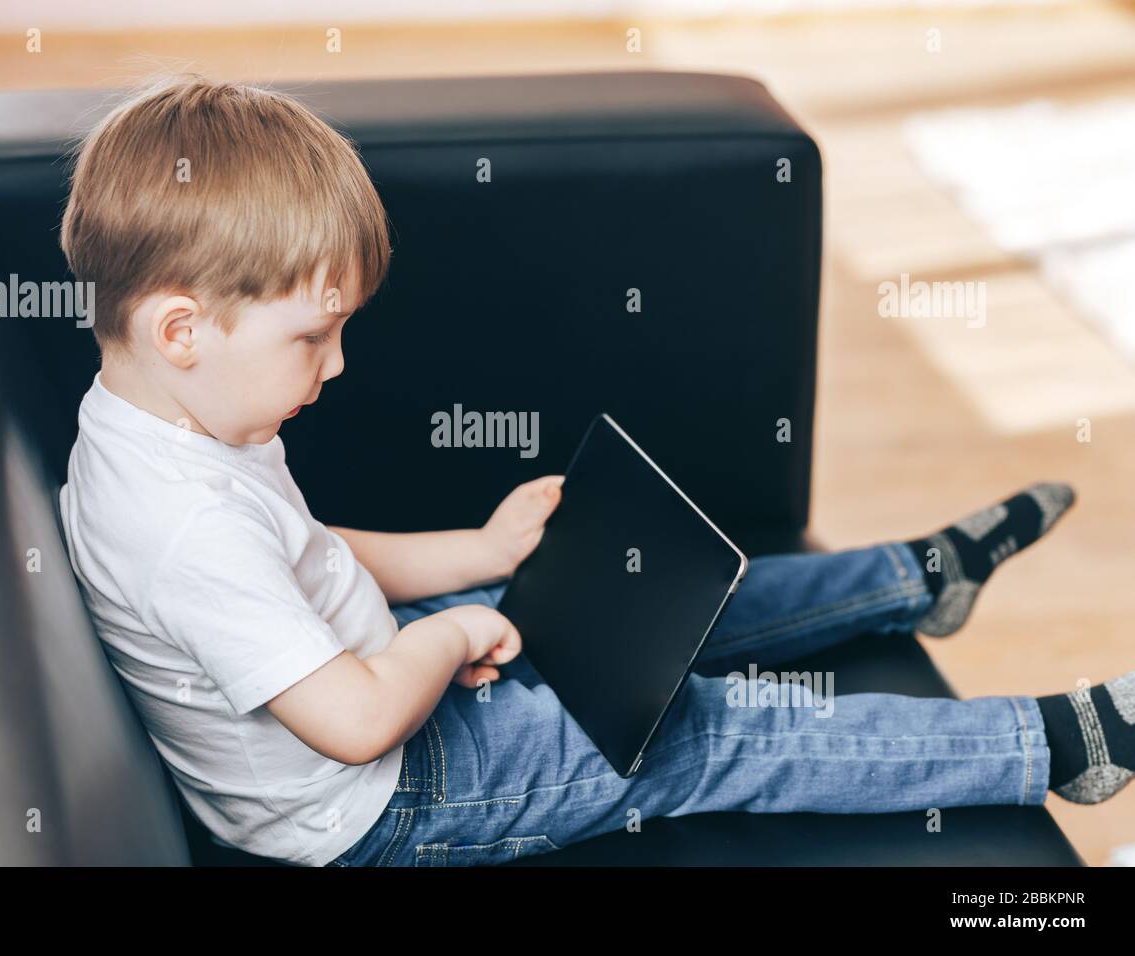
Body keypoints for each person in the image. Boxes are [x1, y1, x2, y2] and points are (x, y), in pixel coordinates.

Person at [57, 76, 1132, 868]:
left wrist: (481, 557)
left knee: (643, 590)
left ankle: (913, 577)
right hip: (386, 794)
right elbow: (351, 720)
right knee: (707, 730)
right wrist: (454, 631)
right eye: (312, 337)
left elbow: (314, 552)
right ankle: (1048, 743)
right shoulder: (182, 523)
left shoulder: (178, 419)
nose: (337, 363)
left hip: (380, 676)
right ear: (182, 327)